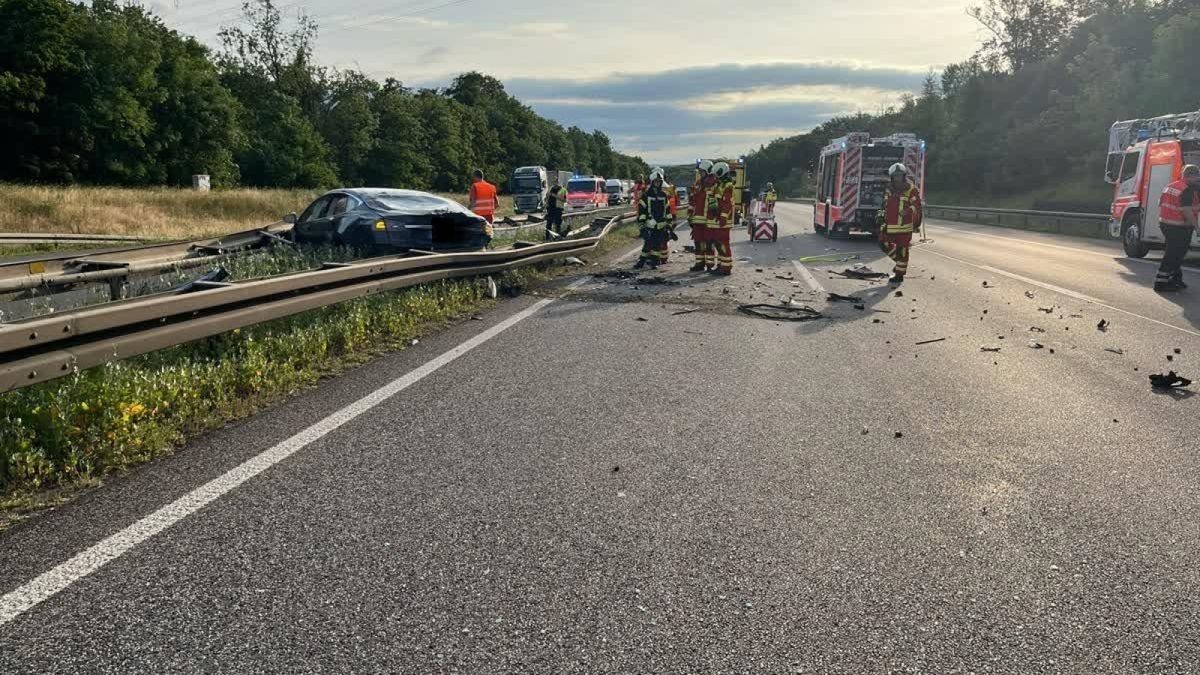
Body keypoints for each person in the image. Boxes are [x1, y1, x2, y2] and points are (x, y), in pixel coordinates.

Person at [1155, 164, 1200, 292]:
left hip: (1166, 224)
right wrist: (1197, 228)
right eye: (1197, 177)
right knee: (1174, 254)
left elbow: (1160, 203)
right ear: (1191, 176)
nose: (1198, 180)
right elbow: (1186, 211)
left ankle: (1175, 279)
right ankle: (1161, 282)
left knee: (1176, 253)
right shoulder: (1187, 190)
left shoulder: (1171, 186)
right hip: (1179, 226)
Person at [875, 163, 922, 284]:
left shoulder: (911, 189)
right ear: (891, 177)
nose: (897, 178)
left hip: (904, 226)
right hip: (889, 225)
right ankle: (899, 263)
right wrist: (880, 216)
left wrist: (908, 213)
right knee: (883, 243)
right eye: (895, 176)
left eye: (899, 176)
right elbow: (884, 204)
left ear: (903, 176)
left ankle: (899, 275)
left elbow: (916, 205)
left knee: (902, 250)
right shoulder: (889, 188)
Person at [635, 169, 671, 269]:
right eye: (656, 182)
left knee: (657, 245)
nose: (657, 183)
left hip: (661, 225)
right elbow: (642, 211)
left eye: (659, 182)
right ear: (652, 183)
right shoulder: (646, 195)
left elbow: (667, 211)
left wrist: (669, 225)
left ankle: (654, 262)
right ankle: (641, 262)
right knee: (647, 244)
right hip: (650, 224)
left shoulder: (663, 195)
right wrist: (642, 226)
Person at [709, 161, 736, 276]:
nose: (714, 176)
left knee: (723, 243)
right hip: (719, 218)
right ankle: (721, 265)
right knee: (718, 243)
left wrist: (723, 218)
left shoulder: (727, 185)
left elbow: (727, 203)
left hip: (724, 220)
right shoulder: (720, 184)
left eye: (716, 174)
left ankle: (726, 268)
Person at [689, 160, 715, 272]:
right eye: (700, 171)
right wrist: (690, 215)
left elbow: (715, 203)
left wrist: (714, 217)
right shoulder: (698, 183)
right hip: (697, 220)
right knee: (698, 242)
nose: (700, 173)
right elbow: (692, 201)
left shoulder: (713, 183)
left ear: (708, 171)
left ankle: (710, 265)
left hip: (709, 220)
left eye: (702, 171)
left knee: (709, 243)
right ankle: (699, 264)